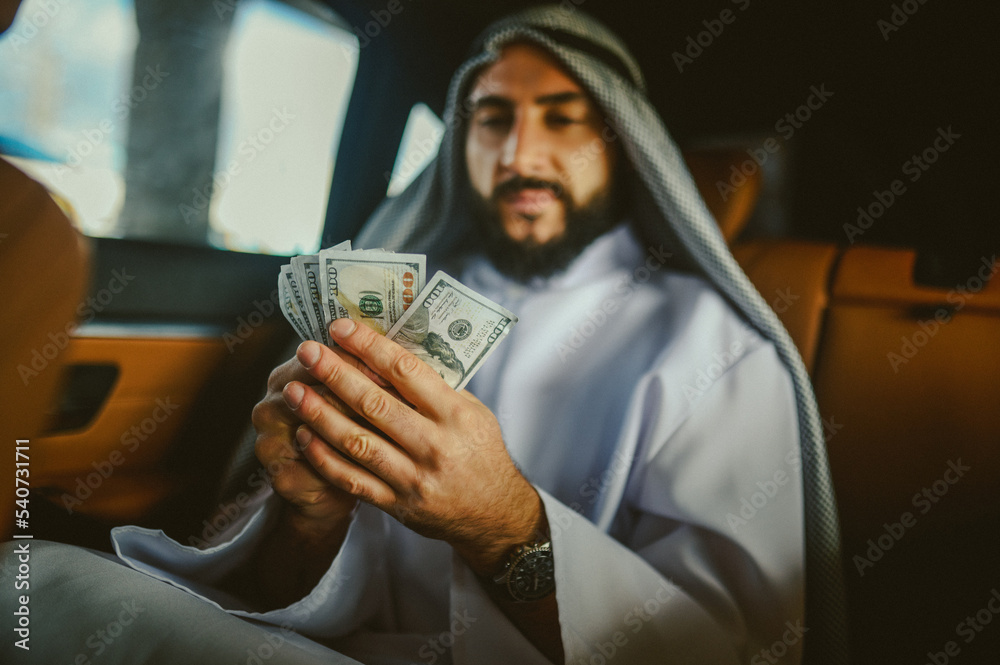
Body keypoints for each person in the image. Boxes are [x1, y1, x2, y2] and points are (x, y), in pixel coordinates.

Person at [1, 6, 847, 665]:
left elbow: (738, 647)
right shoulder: (400, 310)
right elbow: (291, 593)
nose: (520, 152)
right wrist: (306, 514)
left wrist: (508, 524)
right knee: (31, 580)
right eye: (491, 118)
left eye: (562, 119)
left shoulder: (718, 345)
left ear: (623, 147)